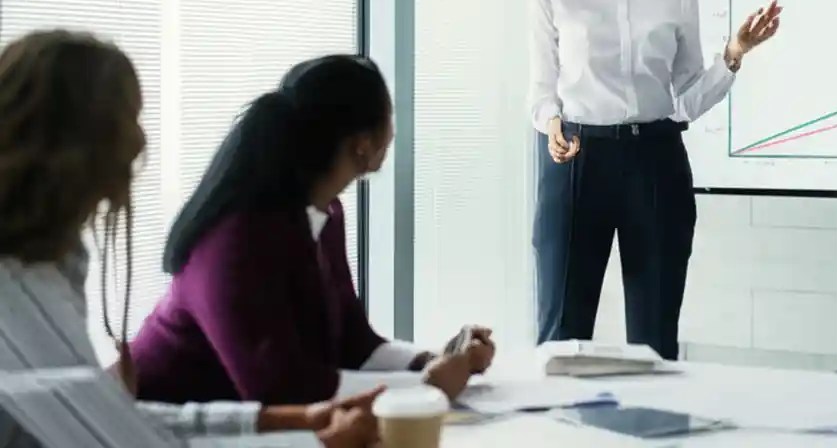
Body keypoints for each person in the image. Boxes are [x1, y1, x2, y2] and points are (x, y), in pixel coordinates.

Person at [0, 29, 380, 447]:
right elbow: (109, 439)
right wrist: (313, 442)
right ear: (70, 144)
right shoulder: (18, 280)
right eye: (127, 120)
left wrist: (281, 422)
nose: (140, 143)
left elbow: (108, 416)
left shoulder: (58, 257)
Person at [528, 0, 782, 360]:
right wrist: (550, 122)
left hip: (656, 160)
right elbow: (541, 85)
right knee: (562, 330)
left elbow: (685, 98)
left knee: (656, 331)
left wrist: (733, 54)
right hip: (576, 158)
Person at [130, 54, 495, 407]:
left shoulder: (325, 214)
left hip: (248, 425)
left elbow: (355, 345)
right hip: (158, 426)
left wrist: (437, 361)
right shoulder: (236, 240)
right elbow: (279, 387)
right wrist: (425, 387)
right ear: (362, 145)